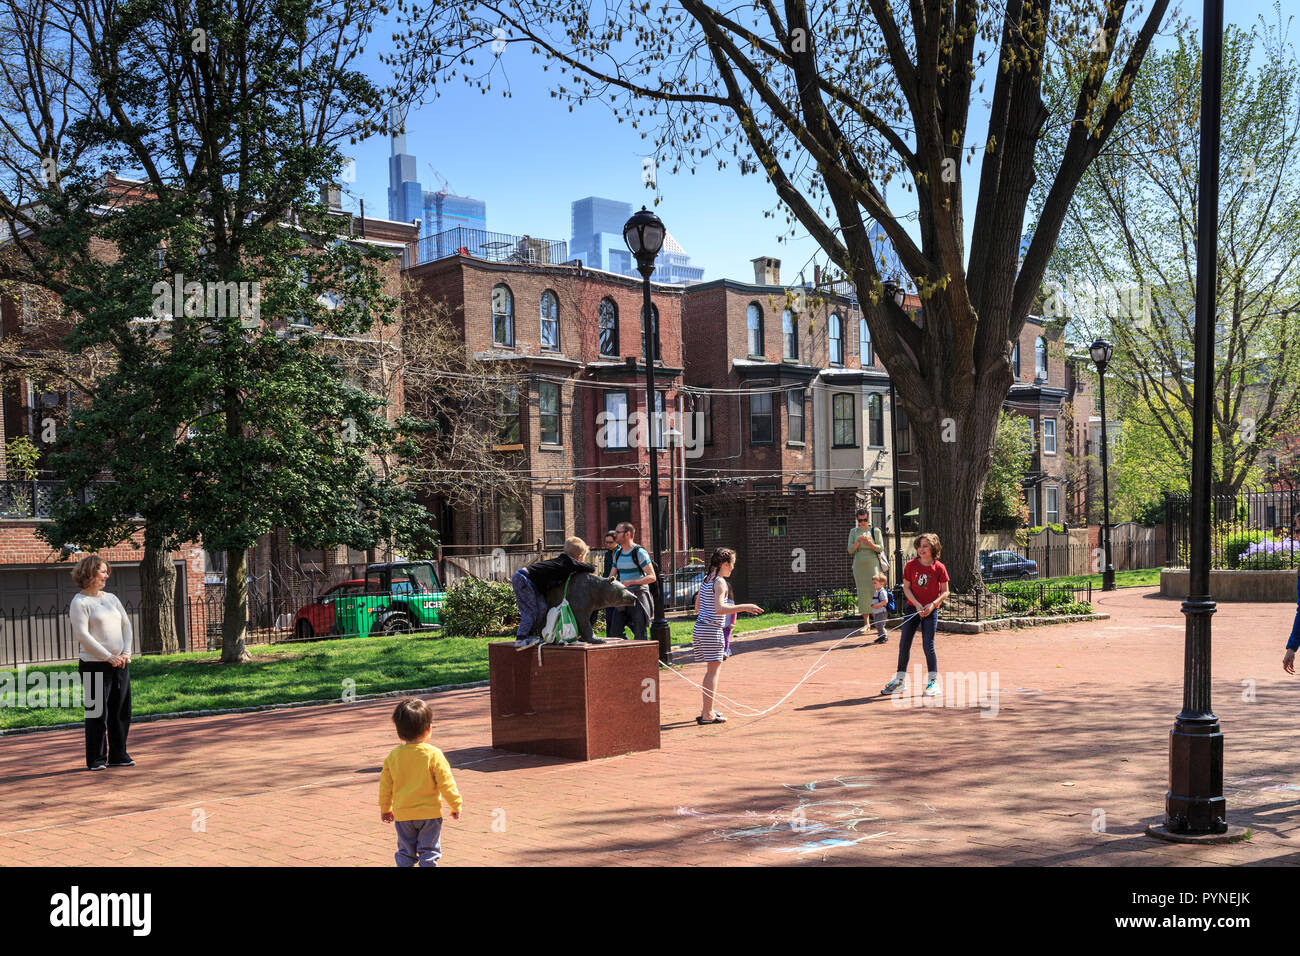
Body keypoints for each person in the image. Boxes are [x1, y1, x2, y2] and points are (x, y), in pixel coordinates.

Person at [69, 555, 135, 771]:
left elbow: (126, 625)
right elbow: (83, 636)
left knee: (121, 711)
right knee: (98, 714)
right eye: (103, 572)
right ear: (89, 573)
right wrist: (108, 656)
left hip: (121, 664)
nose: (107, 575)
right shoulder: (80, 602)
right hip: (94, 665)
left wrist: (125, 652)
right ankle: (96, 759)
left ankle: (119, 755)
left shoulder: (111, 598)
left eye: (107, 571)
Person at [379, 697, 462, 867]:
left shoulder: (393, 756)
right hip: (429, 814)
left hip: (403, 815)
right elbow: (446, 782)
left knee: (405, 852)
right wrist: (455, 804)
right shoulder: (433, 754)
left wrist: (385, 808)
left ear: (399, 731)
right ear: (428, 729)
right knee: (429, 851)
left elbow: (386, 786)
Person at [692, 547, 762, 725]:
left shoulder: (707, 579)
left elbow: (697, 607)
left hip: (700, 628)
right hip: (712, 630)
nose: (732, 569)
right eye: (732, 565)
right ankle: (707, 714)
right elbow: (720, 608)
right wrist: (745, 606)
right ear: (724, 564)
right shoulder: (720, 582)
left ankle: (707, 709)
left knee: (710, 671)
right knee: (713, 673)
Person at [882, 533, 950, 698]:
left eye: (925, 546)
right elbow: (907, 588)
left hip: (930, 611)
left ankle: (933, 682)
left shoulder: (939, 567)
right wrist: (917, 604)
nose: (921, 549)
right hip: (913, 609)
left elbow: (945, 591)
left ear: (933, 548)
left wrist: (933, 605)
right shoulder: (911, 566)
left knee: (928, 645)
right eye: (920, 546)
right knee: (904, 643)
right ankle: (900, 681)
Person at [511, 537, 594, 650]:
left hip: (532, 583)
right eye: (583, 558)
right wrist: (591, 566)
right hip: (523, 578)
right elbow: (589, 568)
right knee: (531, 611)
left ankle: (530, 635)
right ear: (579, 557)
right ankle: (521, 639)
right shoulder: (567, 563)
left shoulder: (562, 562)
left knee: (542, 607)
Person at [607, 521, 655, 641]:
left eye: (618, 532)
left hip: (638, 597)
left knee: (640, 633)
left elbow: (652, 576)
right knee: (615, 632)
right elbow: (611, 576)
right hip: (623, 597)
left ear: (627, 534)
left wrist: (631, 582)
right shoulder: (617, 553)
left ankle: (642, 657)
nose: (615, 535)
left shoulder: (639, 552)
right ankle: (629, 653)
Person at [848, 506, 885, 627]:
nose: (862, 523)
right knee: (863, 593)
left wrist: (870, 544)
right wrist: (858, 542)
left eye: (864, 520)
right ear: (857, 520)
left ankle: (878, 622)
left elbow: (880, 548)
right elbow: (850, 550)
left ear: (868, 519)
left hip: (873, 564)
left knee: (875, 590)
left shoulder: (875, 531)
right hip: (859, 566)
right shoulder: (854, 532)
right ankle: (866, 623)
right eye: (860, 520)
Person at [590, 531, 617, 630]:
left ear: (617, 541)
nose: (608, 545)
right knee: (609, 618)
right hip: (610, 587)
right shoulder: (608, 554)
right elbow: (606, 572)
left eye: (610, 542)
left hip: (621, 586)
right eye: (606, 542)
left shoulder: (622, 552)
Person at [869, 571, 890, 644]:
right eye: (873, 583)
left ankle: (884, 637)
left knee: (880, 625)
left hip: (881, 611)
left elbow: (885, 601)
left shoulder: (882, 592)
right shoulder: (877, 591)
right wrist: (874, 610)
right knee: (877, 625)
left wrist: (876, 606)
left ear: (882, 583)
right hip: (877, 611)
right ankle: (881, 636)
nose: (873, 584)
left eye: (875, 583)